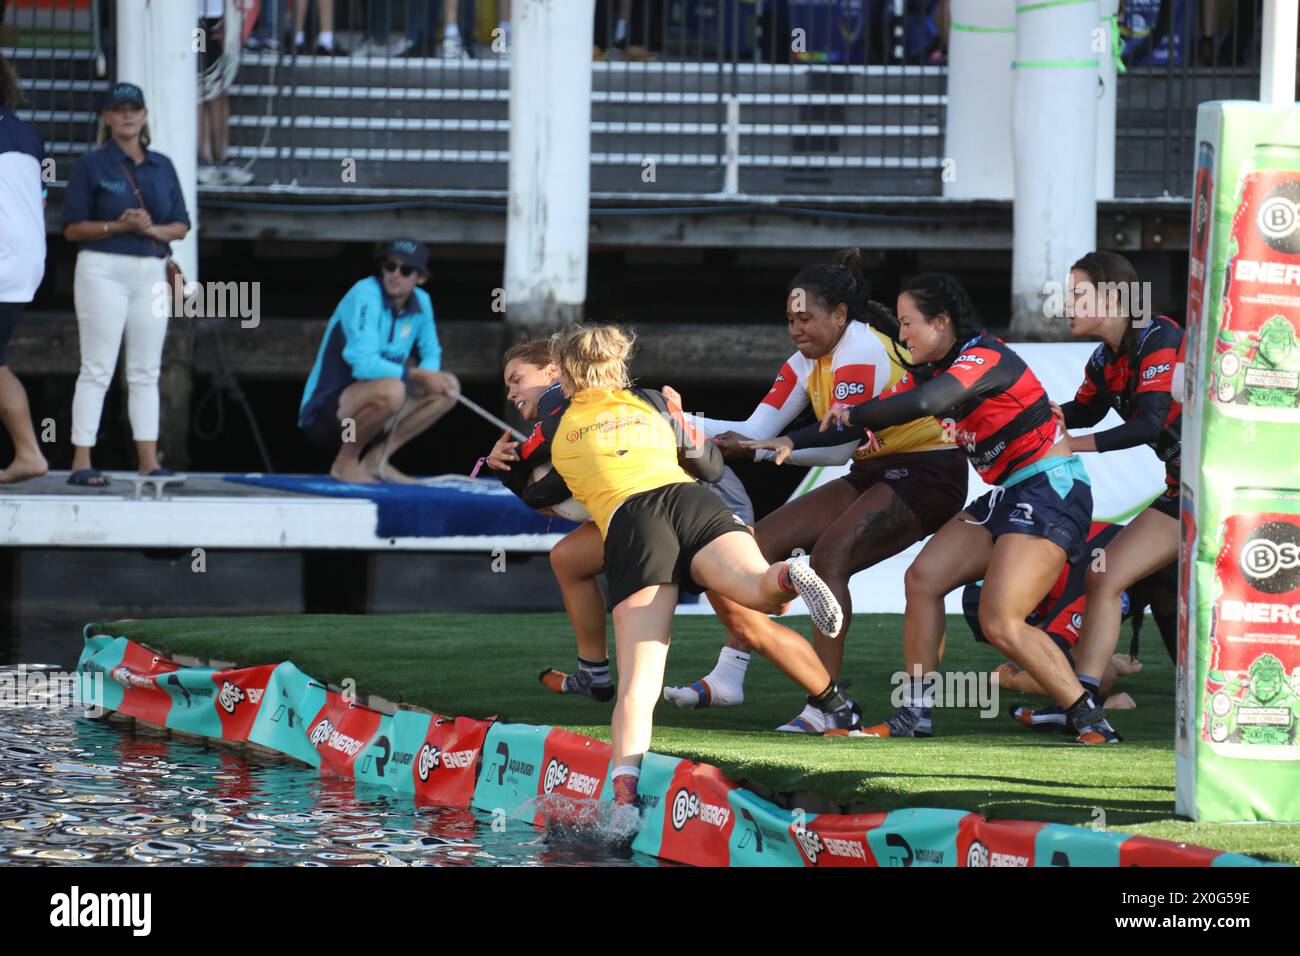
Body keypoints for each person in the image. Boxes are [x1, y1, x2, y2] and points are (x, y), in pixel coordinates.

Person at [746, 273, 1121, 744]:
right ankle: (914, 715)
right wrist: (788, 439)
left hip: (1050, 488)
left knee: (1000, 621)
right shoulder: (936, 370)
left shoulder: (983, 356)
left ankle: (1090, 720)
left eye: (908, 324)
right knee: (922, 579)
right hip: (1008, 492)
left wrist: (856, 412)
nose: (901, 336)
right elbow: (867, 420)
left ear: (942, 323)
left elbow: (923, 402)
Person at [547, 325, 864, 803]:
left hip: (635, 524)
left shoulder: (560, 426)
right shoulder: (652, 401)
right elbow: (712, 468)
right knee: (758, 589)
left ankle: (623, 800)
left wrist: (506, 468)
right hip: (694, 501)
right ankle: (790, 573)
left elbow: (547, 496)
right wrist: (680, 422)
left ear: (567, 375)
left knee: (640, 683)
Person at [663, 250, 968, 735]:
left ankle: (826, 702)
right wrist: (674, 421)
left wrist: (763, 450)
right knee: (748, 548)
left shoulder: (861, 349)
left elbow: (839, 447)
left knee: (830, 559)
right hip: (876, 471)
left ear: (840, 315)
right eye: (789, 320)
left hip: (929, 470)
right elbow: (755, 428)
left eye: (806, 318)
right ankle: (730, 674)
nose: (796, 329)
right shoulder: (806, 360)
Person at [1014, 251, 1183, 738]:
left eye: (1078, 294)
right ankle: (1081, 701)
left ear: (1114, 298)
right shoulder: (1102, 358)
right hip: (1184, 491)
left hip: (1223, 490)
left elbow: (1148, 421)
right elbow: (1082, 412)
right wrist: (1043, 416)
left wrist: (1071, 443)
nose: (1066, 304)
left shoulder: (1160, 336)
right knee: (1104, 574)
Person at [61, 82, 191, 487]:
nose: (127, 116)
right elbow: (71, 229)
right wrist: (117, 226)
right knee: (97, 367)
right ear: (107, 117)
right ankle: (81, 460)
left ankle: (149, 462)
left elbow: (182, 225)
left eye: (134, 109)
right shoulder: (91, 165)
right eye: (119, 110)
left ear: (145, 115)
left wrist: (150, 227)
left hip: (150, 269)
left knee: (146, 370)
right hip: (102, 268)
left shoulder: (163, 165)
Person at [960, 519, 1178, 717]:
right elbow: (1055, 648)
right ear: (1162, 587)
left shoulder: (1149, 563)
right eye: (1175, 598)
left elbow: (1174, 631)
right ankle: (1009, 678)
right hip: (991, 596)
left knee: (1094, 659)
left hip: (1040, 597)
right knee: (1100, 676)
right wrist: (1096, 703)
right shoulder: (1108, 577)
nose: (1175, 607)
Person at [298, 239, 459, 484]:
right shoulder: (365, 294)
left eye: (405, 270)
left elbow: (431, 352)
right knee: (392, 389)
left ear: (420, 278)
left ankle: (377, 460)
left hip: (377, 416)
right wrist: (417, 376)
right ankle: (344, 463)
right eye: (390, 266)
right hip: (330, 415)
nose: (395, 275)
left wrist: (428, 376)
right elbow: (363, 365)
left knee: (448, 387)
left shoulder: (422, 302)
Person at [0, 52, 50, 484]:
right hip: (26, 265)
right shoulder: (29, 135)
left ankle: (30, 451)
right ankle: (29, 452)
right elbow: (39, 200)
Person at [197, 4, 254, 186]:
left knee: (220, 85)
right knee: (200, 85)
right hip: (194, 19)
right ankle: (204, 158)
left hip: (221, 14)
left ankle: (222, 158)